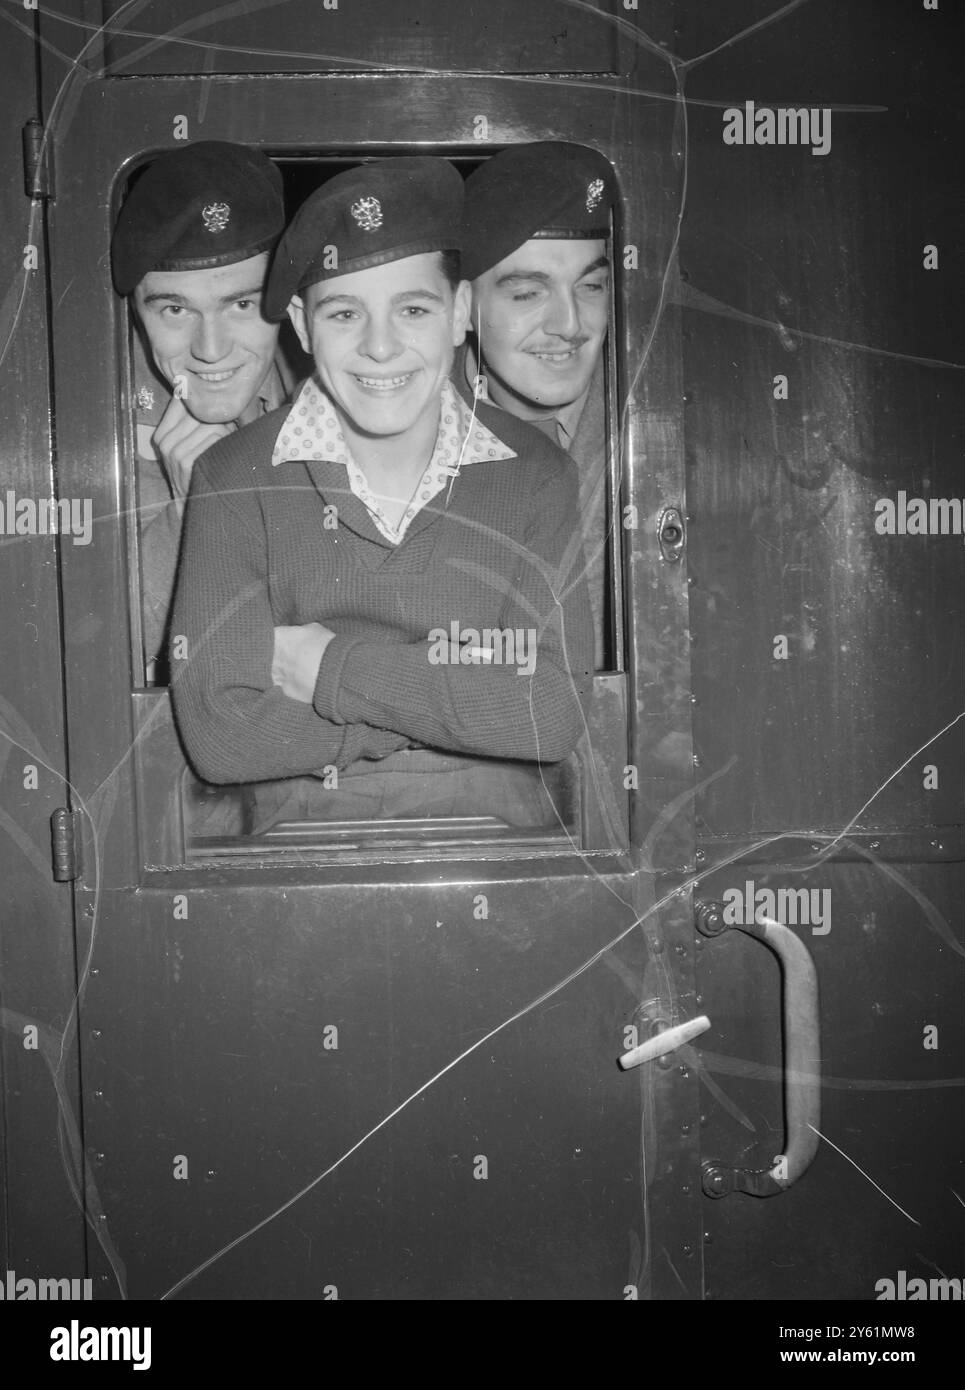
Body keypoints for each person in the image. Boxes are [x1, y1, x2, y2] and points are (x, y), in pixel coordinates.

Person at [169, 156, 593, 832]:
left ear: (457, 313)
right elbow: (223, 738)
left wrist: (331, 668)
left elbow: (547, 714)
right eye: (344, 314)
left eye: (413, 309)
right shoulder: (235, 476)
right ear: (305, 329)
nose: (379, 346)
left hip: (506, 856)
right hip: (297, 856)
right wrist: (451, 710)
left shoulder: (536, 470)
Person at [111, 140, 300, 670]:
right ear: (135, 312)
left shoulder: (323, 376)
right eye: (175, 309)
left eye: (241, 304)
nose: (210, 349)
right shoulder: (102, 422)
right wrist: (188, 513)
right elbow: (97, 663)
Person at [457, 142, 618, 669]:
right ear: (464, 307)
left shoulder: (657, 425)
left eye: (592, 285)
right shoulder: (398, 425)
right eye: (527, 293)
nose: (571, 324)